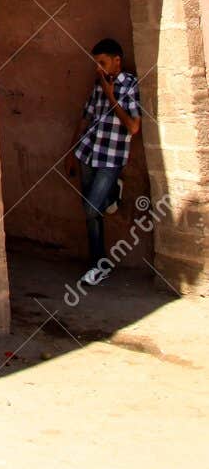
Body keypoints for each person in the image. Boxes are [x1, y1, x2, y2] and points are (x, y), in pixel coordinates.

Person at [66, 37, 141, 289]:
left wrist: (111, 96)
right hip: (88, 153)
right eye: (95, 63)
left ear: (116, 61)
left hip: (111, 157)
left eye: (102, 62)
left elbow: (133, 127)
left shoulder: (129, 85)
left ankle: (112, 195)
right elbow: (85, 117)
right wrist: (71, 152)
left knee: (91, 208)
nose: (98, 67)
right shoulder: (98, 84)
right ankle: (98, 264)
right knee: (91, 213)